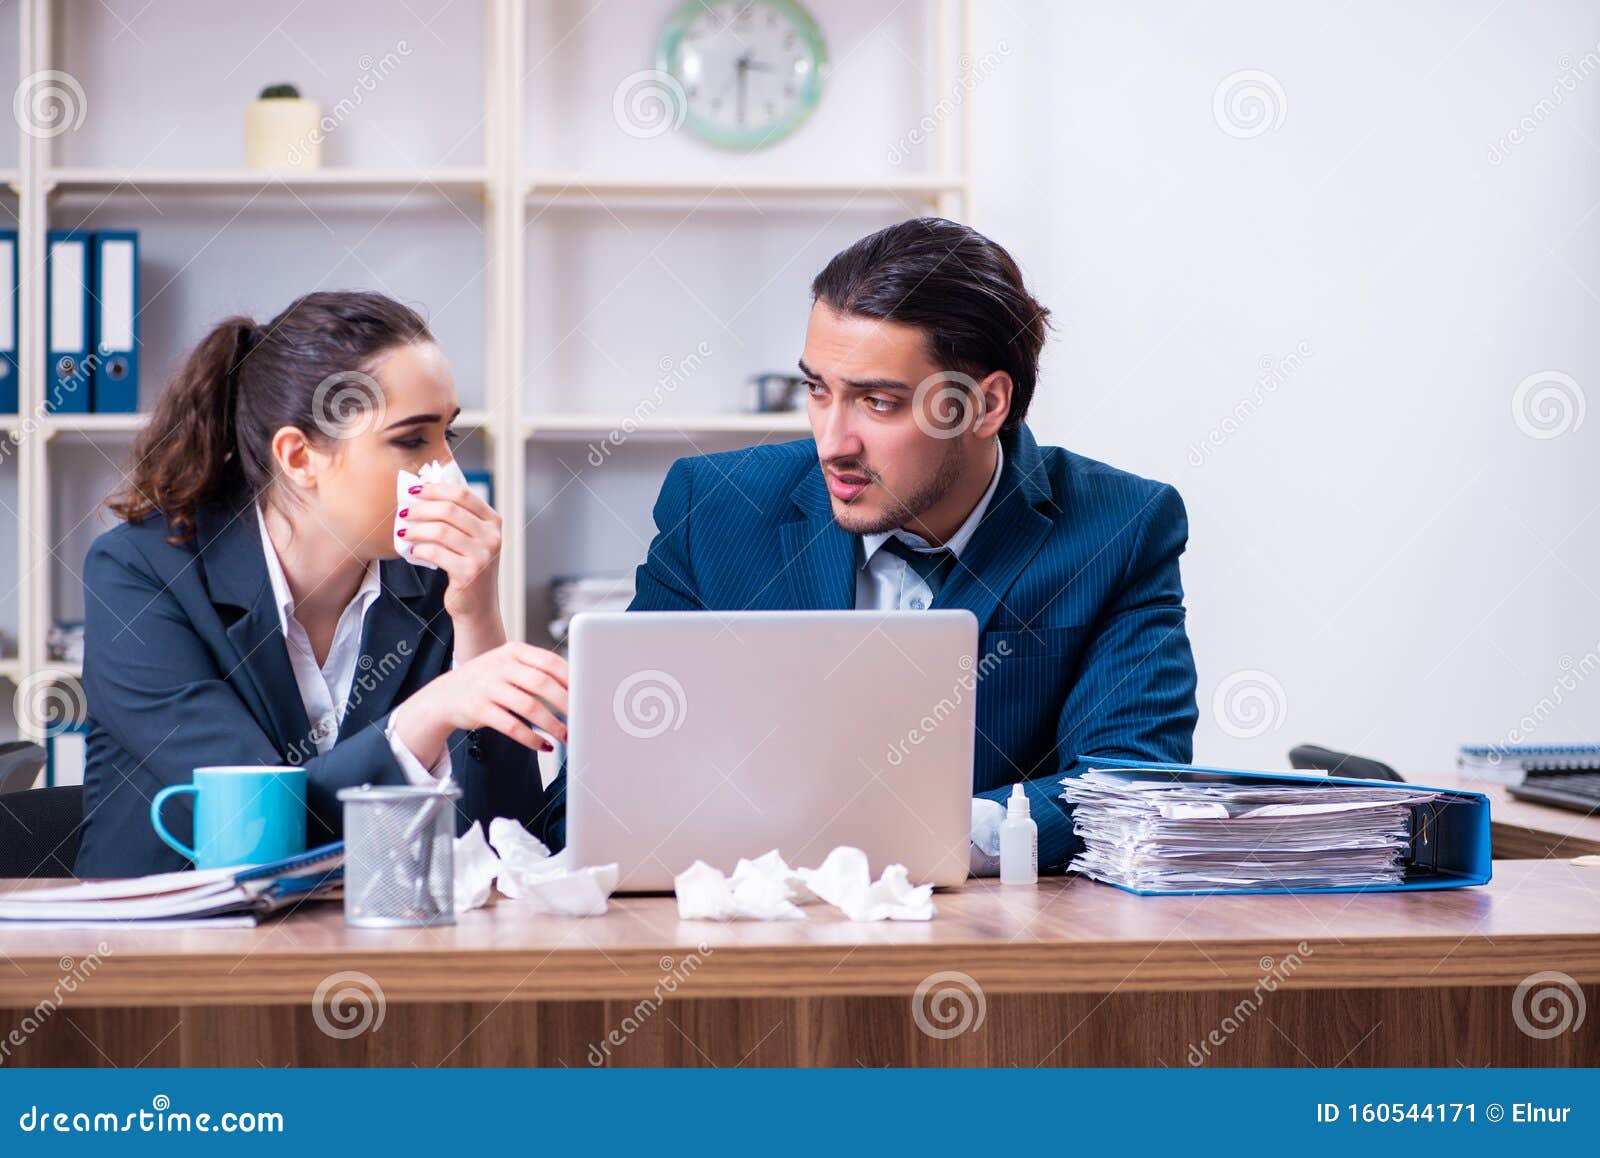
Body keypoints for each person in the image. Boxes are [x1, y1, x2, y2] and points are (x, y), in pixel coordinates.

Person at [625, 218, 1199, 874]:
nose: (831, 442)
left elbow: (1128, 787)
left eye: (878, 403)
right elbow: (610, 783)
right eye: (817, 390)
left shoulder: (1120, 529)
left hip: (996, 950)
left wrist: (924, 837)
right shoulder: (716, 508)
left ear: (985, 405)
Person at [77, 291, 567, 877]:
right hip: (168, 951)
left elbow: (509, 847)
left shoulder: (432, 581)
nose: (449, 476)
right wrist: (425, 717)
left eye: (448, 437)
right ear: (300, 457)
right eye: (412, 440)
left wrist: (478, 620)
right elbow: (258, 827)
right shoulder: (140, 573)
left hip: (366, 944)